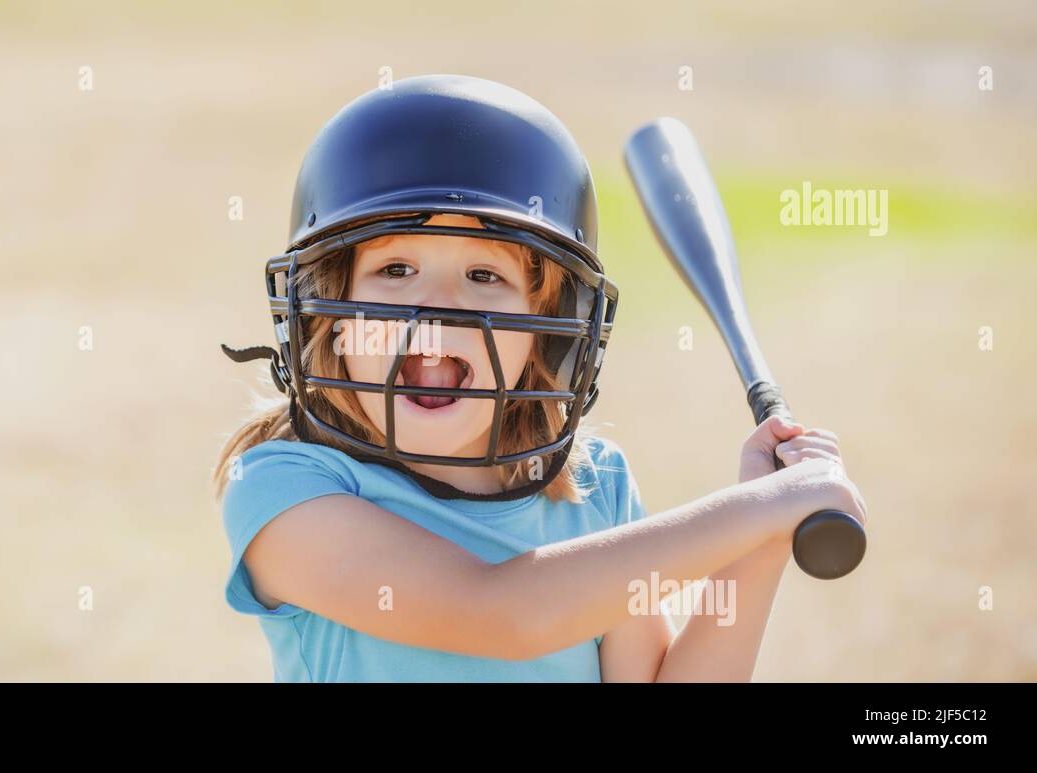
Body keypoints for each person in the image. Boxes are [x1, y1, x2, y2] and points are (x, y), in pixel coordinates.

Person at [213, 74, 866, 682]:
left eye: (483, 276)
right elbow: (503, 612)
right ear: (332, 315)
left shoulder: (591, 491)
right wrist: (754, 510)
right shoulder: (285, 488)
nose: (436, 307)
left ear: (544, 330)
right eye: (395, 270)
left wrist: (763, 536)